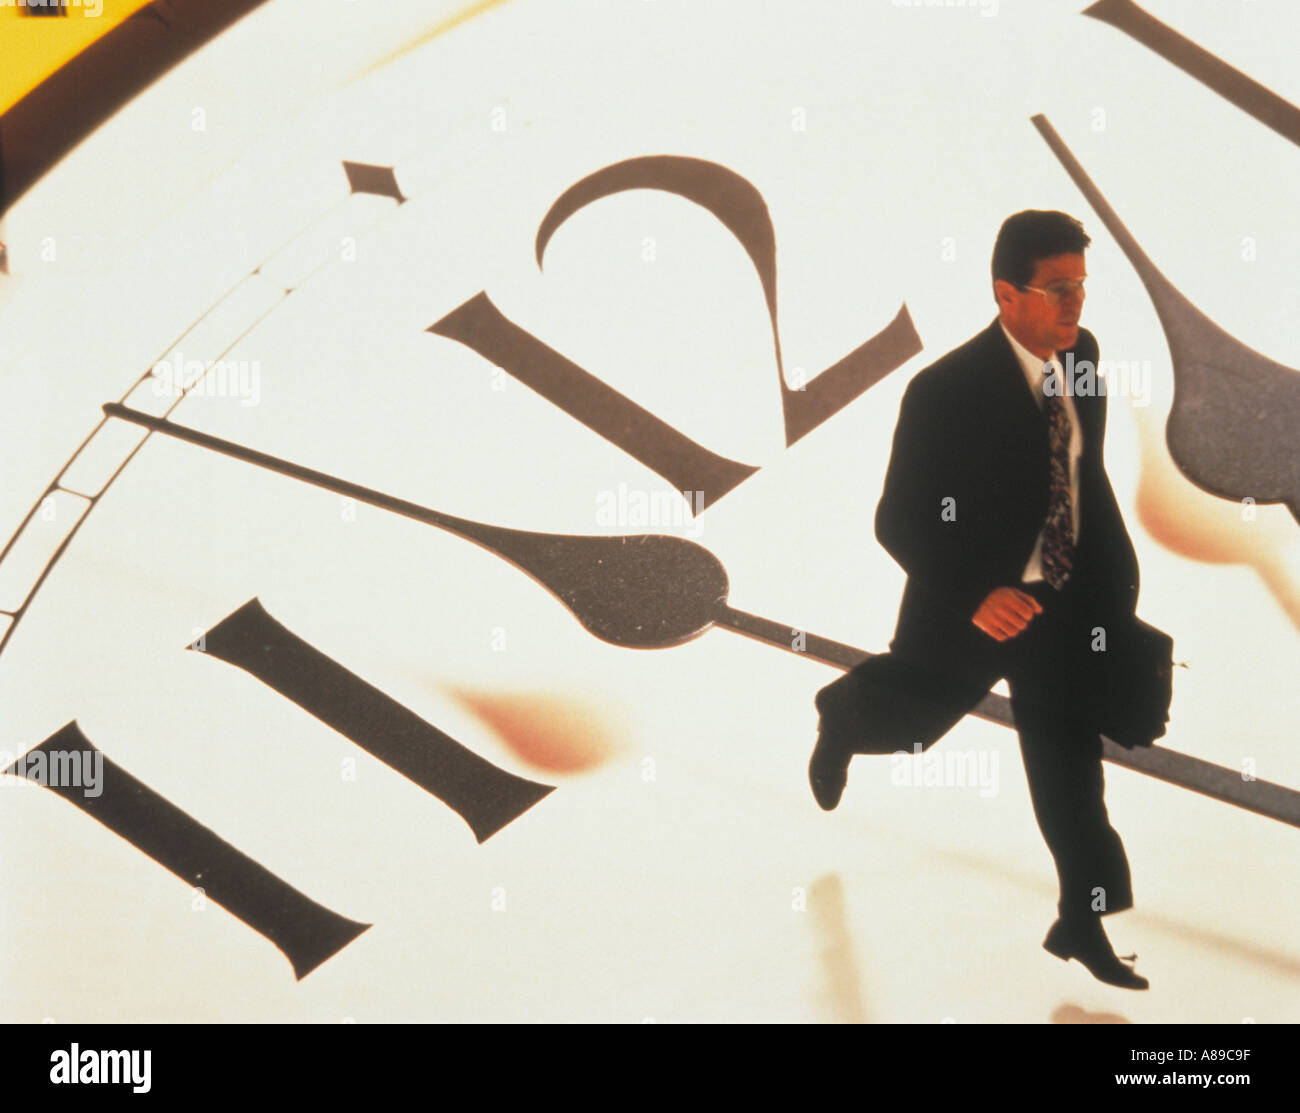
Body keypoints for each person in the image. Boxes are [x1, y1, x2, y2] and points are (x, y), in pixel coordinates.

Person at [809, 210, 1150, 990]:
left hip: (1060, 607)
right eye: (1058, 289)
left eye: (1082, 286)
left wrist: (1112, 589)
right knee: (913, 723)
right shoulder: (943, 392)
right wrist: (977, 593)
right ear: (1006, 294)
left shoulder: (1083, 356)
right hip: (967, 605)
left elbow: (1081, 469)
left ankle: (1082, 919)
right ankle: (842, 715)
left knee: (1071, 770)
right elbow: (896, 518)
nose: (1076, 305)